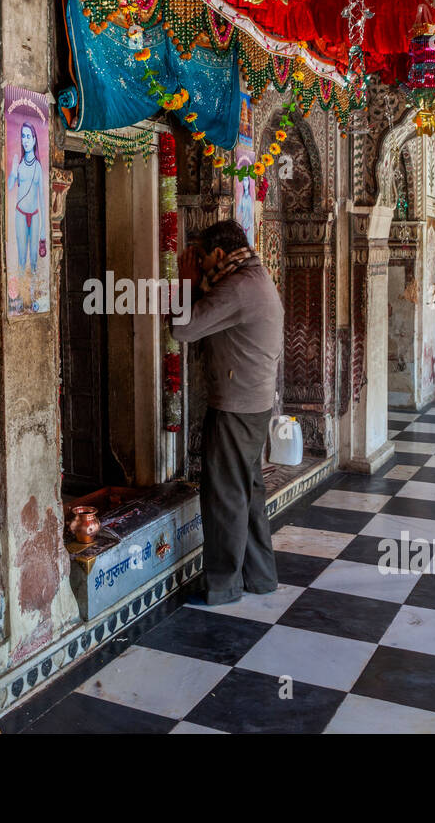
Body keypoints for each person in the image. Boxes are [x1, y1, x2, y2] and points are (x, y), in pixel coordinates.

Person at [172, 219, 284, 605]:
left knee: (224, 495)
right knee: (247, 493)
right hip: (252, 402)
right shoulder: (251, 275)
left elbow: (183, 329)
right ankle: (260, 577)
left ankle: (223, 585)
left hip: (237, 407)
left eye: (200, 257)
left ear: (219, 254)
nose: (198, 264)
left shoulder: (237, 287)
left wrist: (185, 282)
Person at [9, 122, 44, 277]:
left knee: (34, 260)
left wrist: (43, 229)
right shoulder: (19, 162)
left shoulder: (38, 166)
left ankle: (33, 296)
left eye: (28, 136)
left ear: (35, 139)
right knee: (22, 258)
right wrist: (13, 170)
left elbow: (42, 198)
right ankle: (23, 299)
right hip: (21, 214)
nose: (25, 140)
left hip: (35, 215)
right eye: (23, 136)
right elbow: (10, 186)